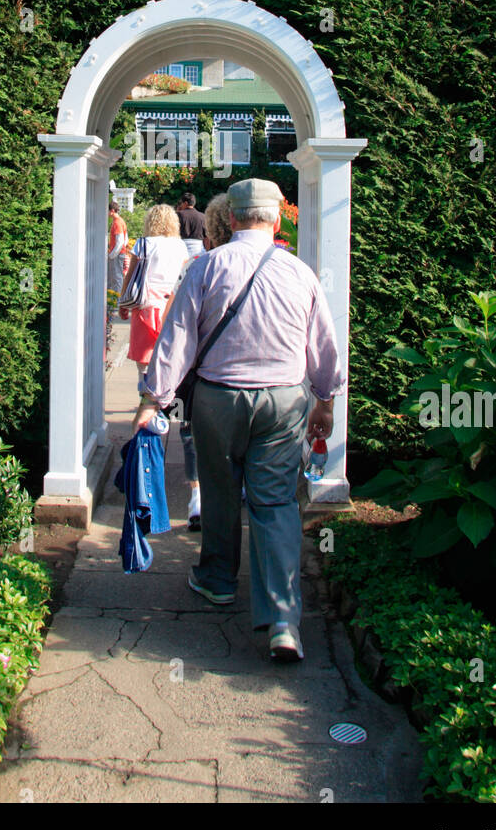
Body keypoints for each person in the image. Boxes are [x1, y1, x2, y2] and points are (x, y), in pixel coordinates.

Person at [133, 178, 343, 664]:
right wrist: (326, 402)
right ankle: (283, 621)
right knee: (275, 502)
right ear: (277, 218)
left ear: (231, 218)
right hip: (284, 400)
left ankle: (218, 580)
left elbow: (177, 338)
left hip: (219, 399)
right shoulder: (300, 273)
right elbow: (323, 344)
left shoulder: (207, 267)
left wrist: (153, 400)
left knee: (221, 490)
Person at [161, 193, 233, 532]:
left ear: (209, 234)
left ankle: (197, 498)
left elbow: (177, 328)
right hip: (252, 379)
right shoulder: (274, 265)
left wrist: (156, 391)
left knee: (191, 434)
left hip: (202, 374)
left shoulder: (196, 267)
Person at [119, 204, 187, 394]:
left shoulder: (143, 244)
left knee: (144, 358)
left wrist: (123, 301)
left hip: (145, 303)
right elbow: (183, 276)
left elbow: (130, 275)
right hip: (171, 304)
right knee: (168, 353)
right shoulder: (180, 246)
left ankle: (145, 394)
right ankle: (165, 394)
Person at [107, 201, 129, 297]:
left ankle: (117, 300)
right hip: (119, 253)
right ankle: (116, 299)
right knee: (116, 277)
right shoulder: (121, 221)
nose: (107, 213)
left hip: (117, 255)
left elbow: (120, 242)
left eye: (108, 211)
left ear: (112, 211)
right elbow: (126, 239)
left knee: (116, 278)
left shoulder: (117, 223)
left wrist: (111, 255)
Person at [176, 192, 206, 258]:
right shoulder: (202, 216)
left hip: (182, 249)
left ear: (185, 203)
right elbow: (206, 237)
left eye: (181, 203)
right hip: (199, 250)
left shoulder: (179, 215)